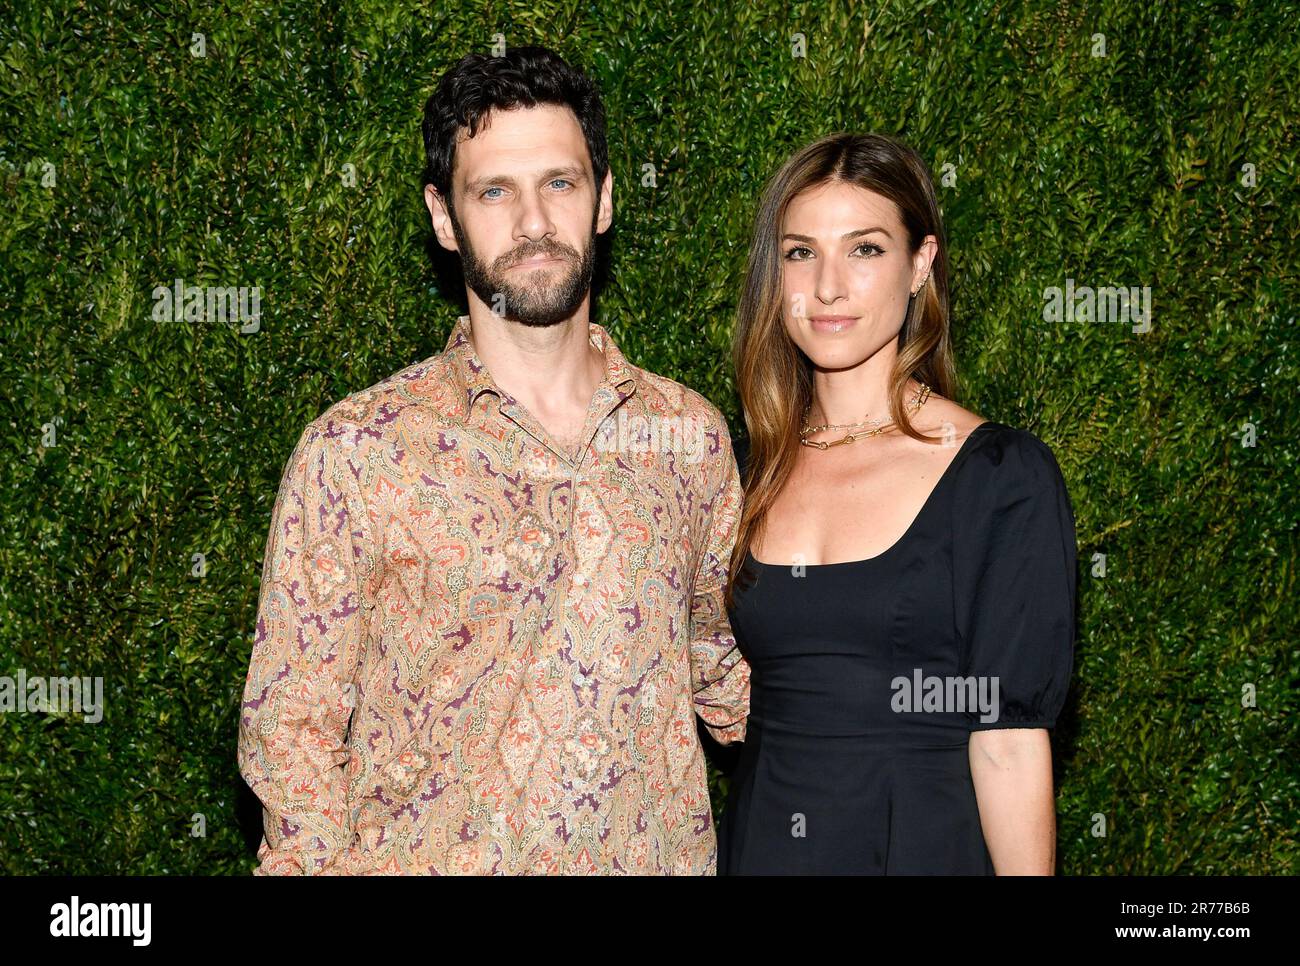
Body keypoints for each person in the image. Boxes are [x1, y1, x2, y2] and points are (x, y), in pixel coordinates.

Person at [237, 45, 750, 875]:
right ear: (445, 218)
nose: (534, 223)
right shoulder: (357, 451)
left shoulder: (687, 437)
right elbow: (291, 732)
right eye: (494, 192)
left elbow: (727, 669)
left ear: (605, 198)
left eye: (559, 182)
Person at [716, 132, 1077, 875]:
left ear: (921, 264)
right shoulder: (741, 472)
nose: (827, 287)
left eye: (866, 249)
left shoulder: (1001, 480)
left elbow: (1008, 744)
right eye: (800, 252)